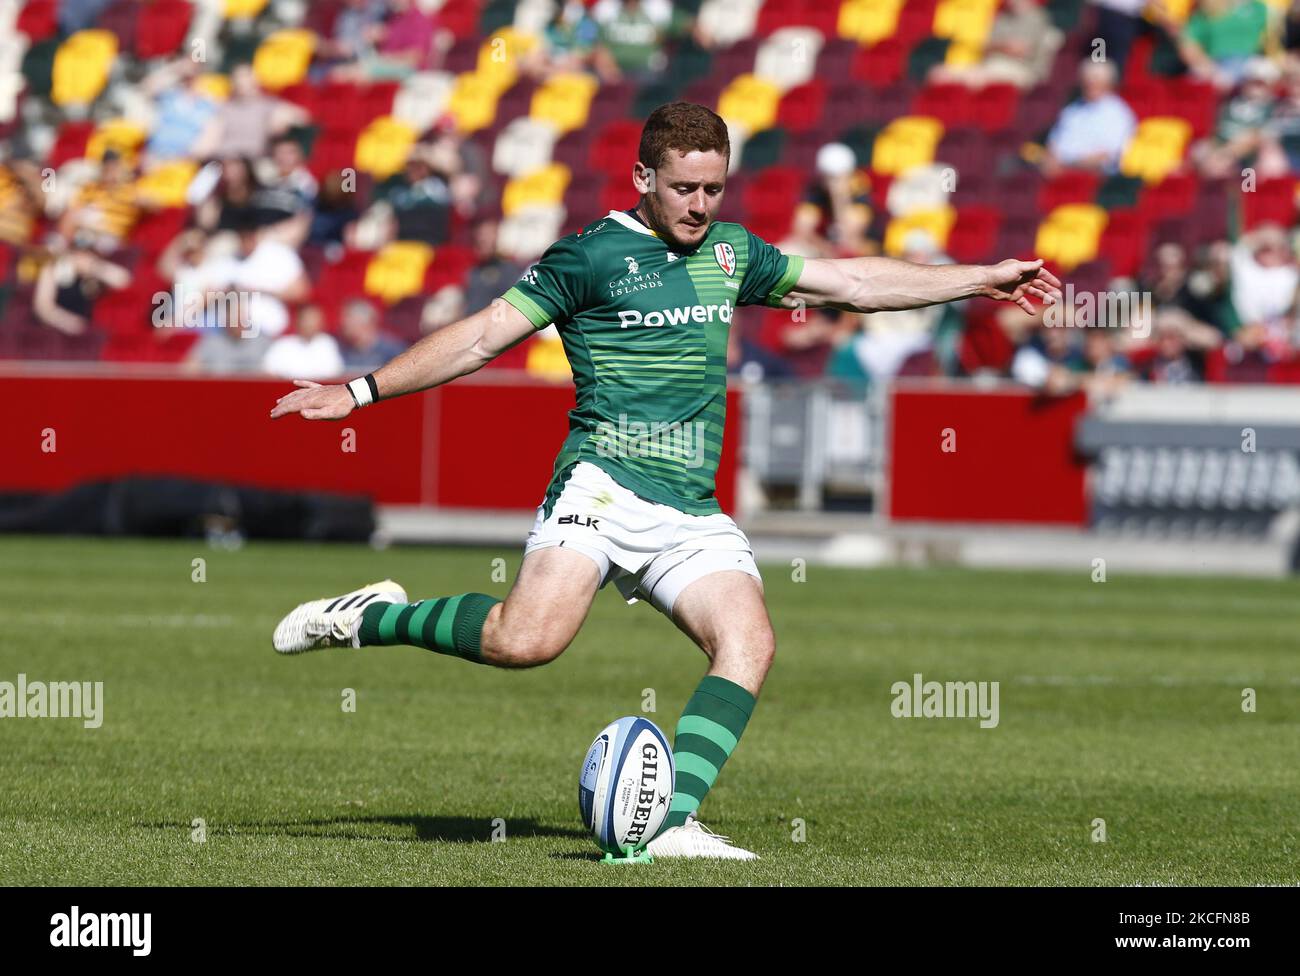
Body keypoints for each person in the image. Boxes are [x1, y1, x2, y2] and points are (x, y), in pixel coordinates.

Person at [267, 102, 1061, 860]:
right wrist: (359, 391)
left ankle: (673, 821)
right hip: (601, 485)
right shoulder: (590, 257)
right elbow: (480, 339)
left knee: (748, 642)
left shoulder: (729, 253)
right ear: (643, 177)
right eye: (685, 187)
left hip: (687, 506)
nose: (700, 204)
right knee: (527, 640)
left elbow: (852, 285)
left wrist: (978, 278)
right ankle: (375, 617)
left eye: (714, 188)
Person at [1040, 60, 1138, 176]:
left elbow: (1108, 156)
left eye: (1097, 81)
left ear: (1109, 84)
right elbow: (1054, 141)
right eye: (1087, 81)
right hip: (1058, 171)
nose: (1091, 85)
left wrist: (1068, 164)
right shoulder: (1072, 109)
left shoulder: (1119, 114)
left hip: (1092, 176)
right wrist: (1051, 160)